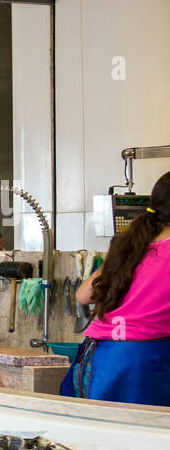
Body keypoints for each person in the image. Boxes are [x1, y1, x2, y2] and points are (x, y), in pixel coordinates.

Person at [65, 171, 170, 405]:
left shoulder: (131, 245)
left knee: (104, 437)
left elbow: (83, 296)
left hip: (100, 358)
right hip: (145, 364)